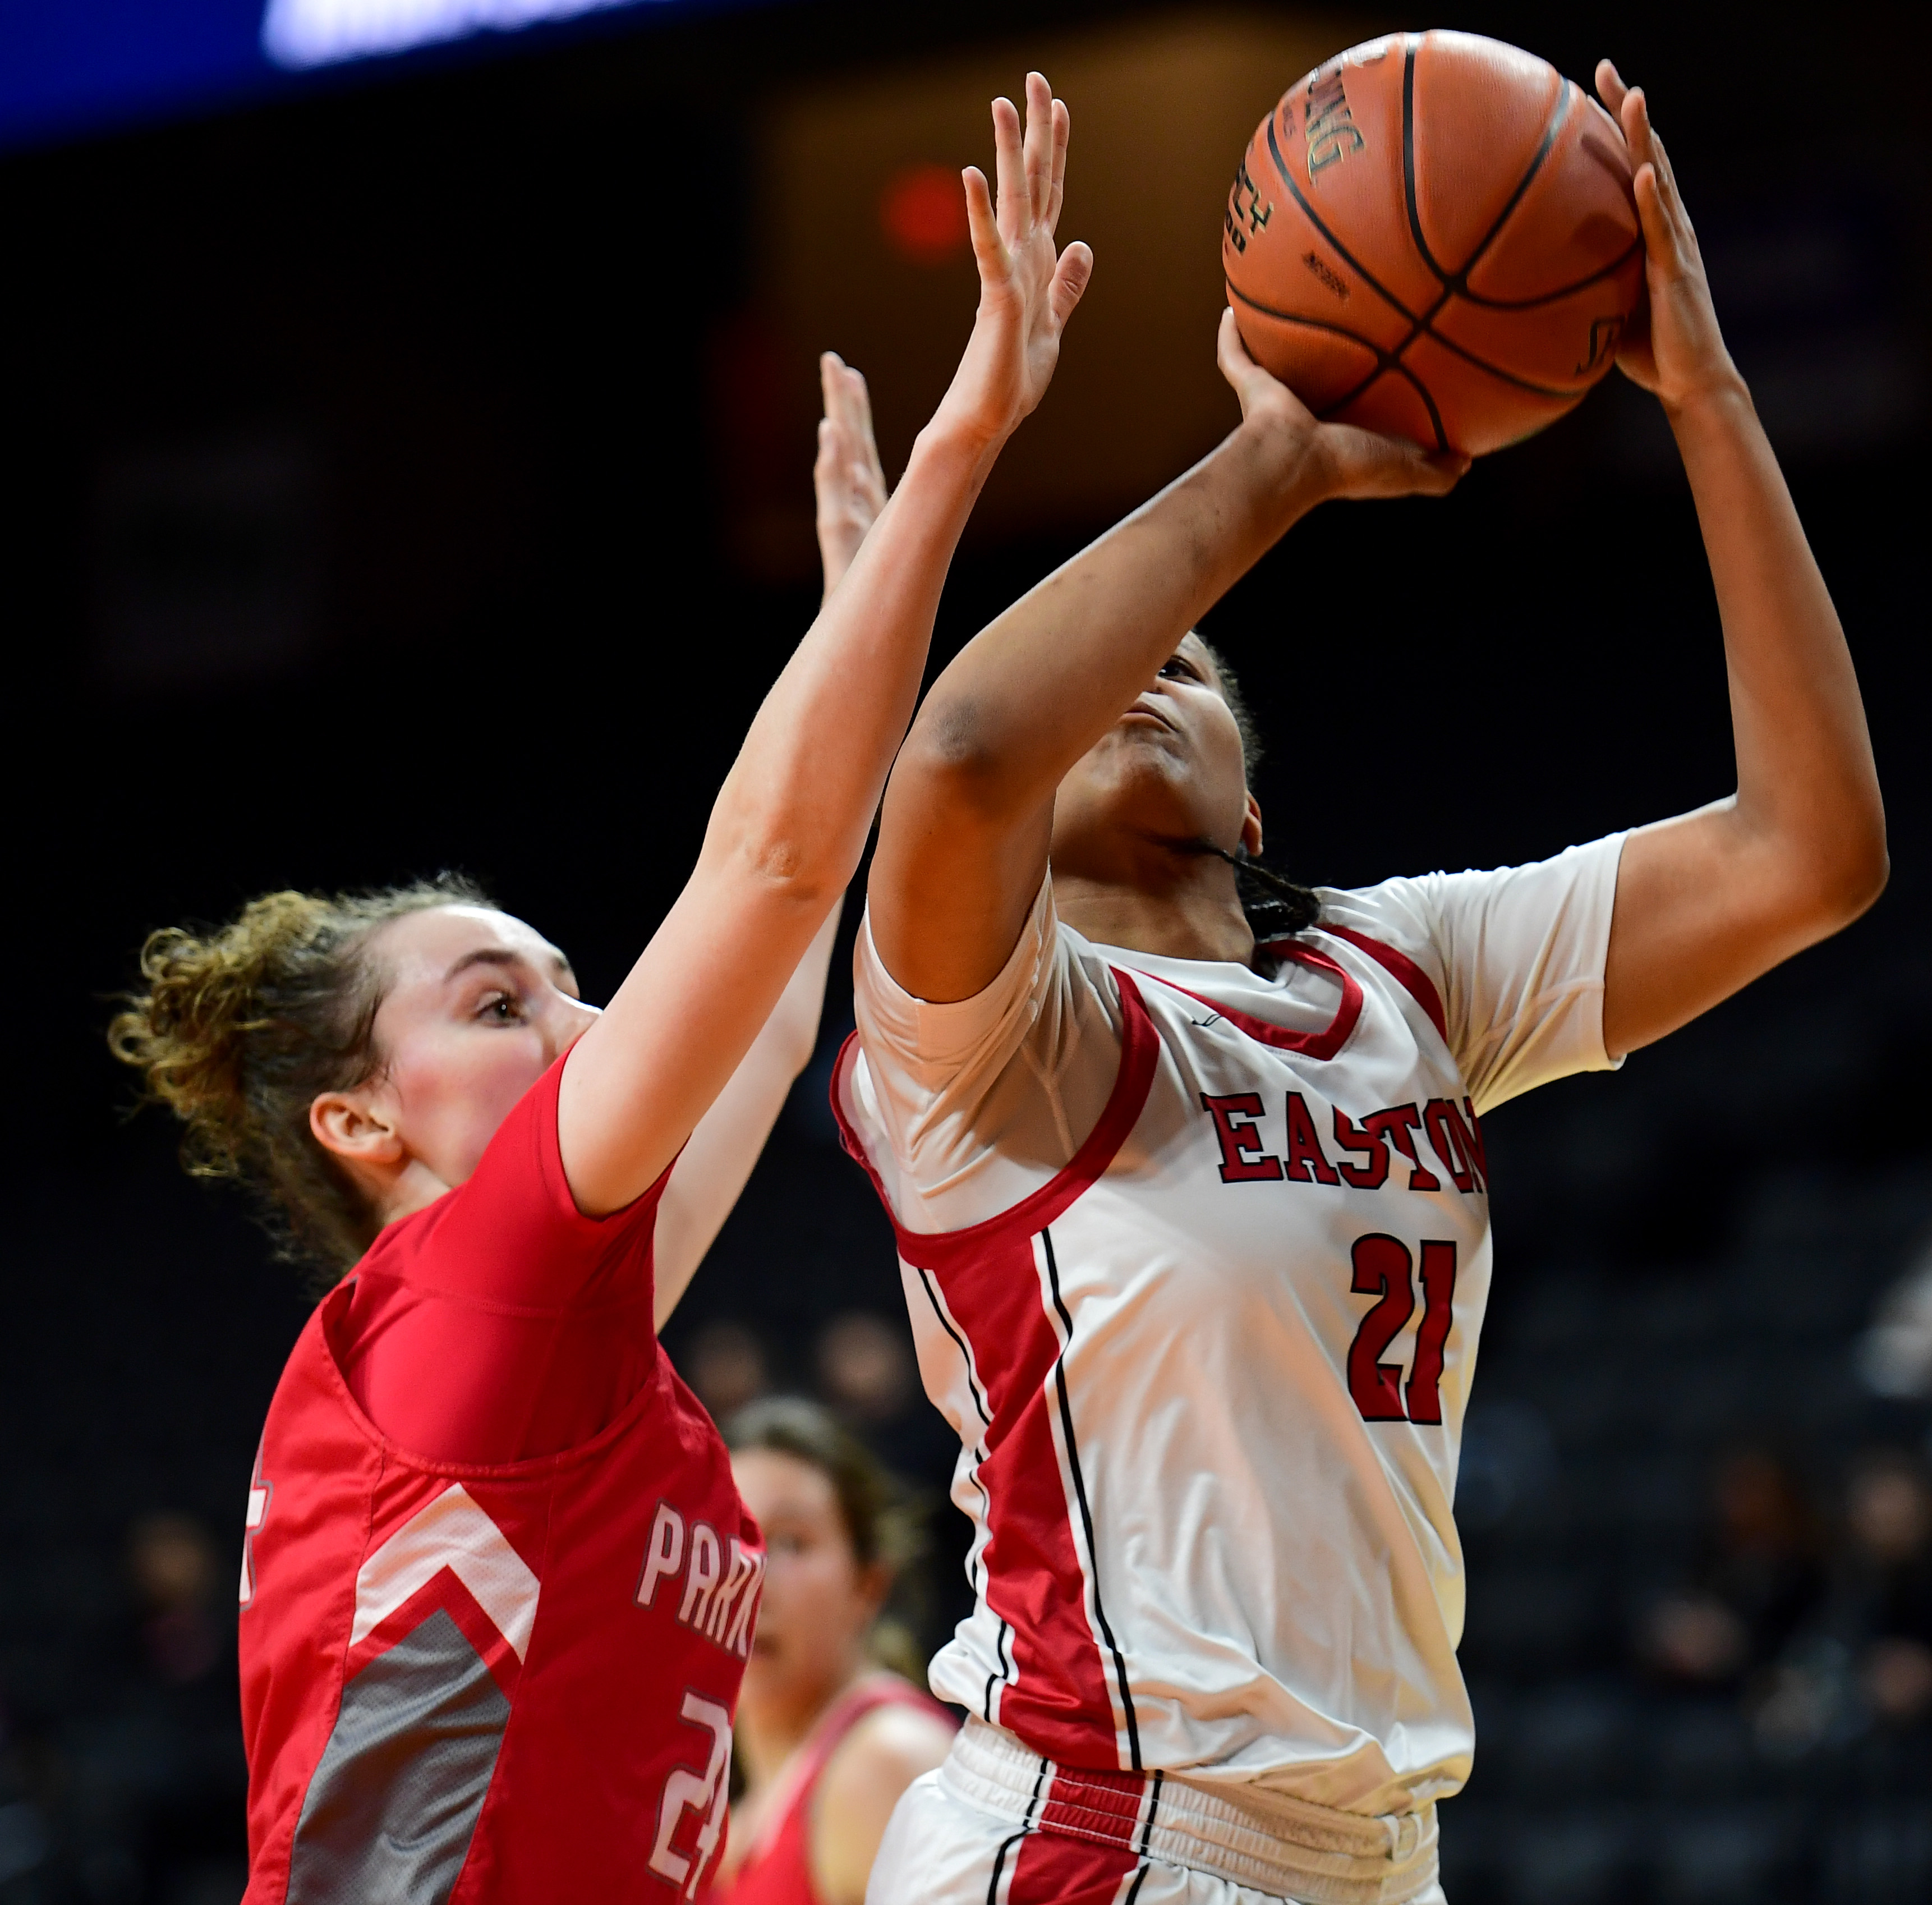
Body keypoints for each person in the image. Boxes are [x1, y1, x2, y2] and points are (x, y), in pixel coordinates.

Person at [829, 61, 1886, 1905]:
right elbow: (969, 752)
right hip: (1100, 1833)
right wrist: (1285, 455)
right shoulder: (984, 1042)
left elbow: (1809, 850)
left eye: (1188, 666)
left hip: (1374, 1858)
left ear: (1253, 801)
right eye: (1117, 662)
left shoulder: (1405, 968)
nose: (1146, 666)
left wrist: (1708, 399)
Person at [107, 73, 1091, 1902]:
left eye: (571, 987)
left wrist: (861, 623)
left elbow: (777, 980)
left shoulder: (558, 1336)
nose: (582, 1028)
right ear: (359, 1118)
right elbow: (767, 869)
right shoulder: (471, 1289)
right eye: (498, 1005)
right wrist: (962, 446)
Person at [710, 1398, 956, 1905]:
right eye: (726, 1537)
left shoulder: (883, 1762)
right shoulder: (740, 1817)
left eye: (790, 1543)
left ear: (868, 1584)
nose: (748, 1575)